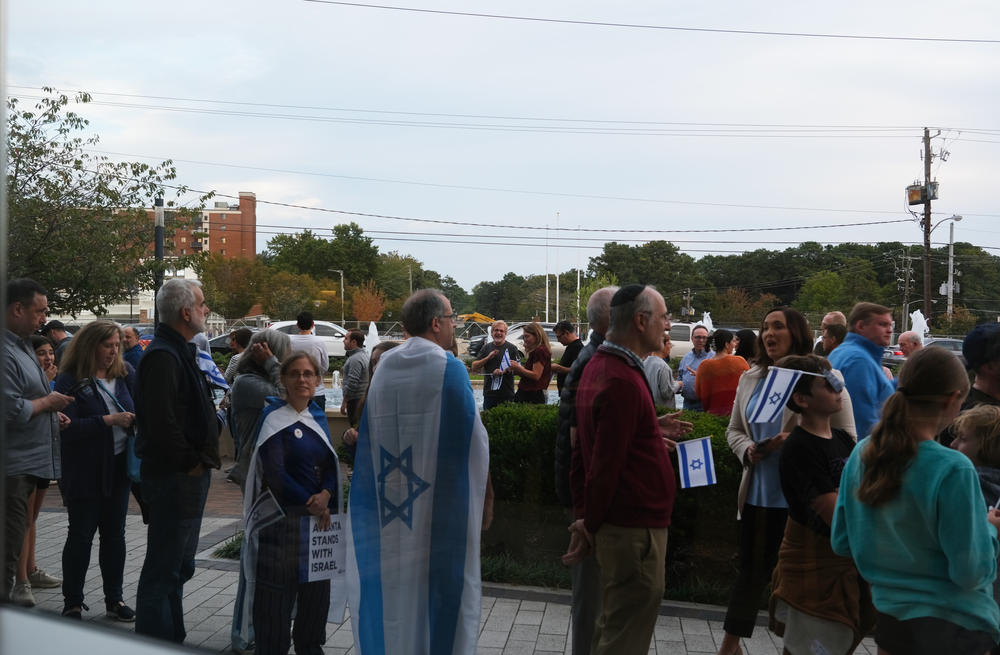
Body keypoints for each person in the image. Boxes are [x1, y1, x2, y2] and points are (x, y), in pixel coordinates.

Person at [347, 289, 490, 654]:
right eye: (452, 317)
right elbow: (473, 442)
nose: (455, 324)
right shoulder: (449, 367)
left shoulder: (386, 368)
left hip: (389, 502)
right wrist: (486, 495)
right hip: (438, 510)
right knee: (439, 594)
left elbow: (373, 433)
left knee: (395, 591)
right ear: (436, 323)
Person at [831, 347, 1000, 655]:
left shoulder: (863, 454)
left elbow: (842, 541)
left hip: (892, 625)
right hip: (956, 630)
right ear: (952, 399)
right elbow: (971, 573)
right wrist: (990, 530)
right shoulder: (953, 468)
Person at [716, 307, 856, 655]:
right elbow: (733, 430)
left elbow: (847, 439)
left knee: (802, 584)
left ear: (798, 332)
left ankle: (797, 647)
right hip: (758, 495)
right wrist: (750, 450)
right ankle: (729, 647)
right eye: (764, 327)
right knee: (750, 576)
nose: (768, 333)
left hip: (808, 503)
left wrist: (799, 444)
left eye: (778, 326)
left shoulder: (825, 375)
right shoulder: (751, 377)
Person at [567, 284, 693, 655]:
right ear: (641, 321)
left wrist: (583, 515)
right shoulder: (622, 378)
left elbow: (584, 452)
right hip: (633, 531)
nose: (668, 325)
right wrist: (587, 525)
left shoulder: (600, 367)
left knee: (613, 627)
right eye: (665, 316)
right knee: (625, 638)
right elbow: (604, 467)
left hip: (624, 527)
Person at [767, 354, 875, 655]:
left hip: (842, 565)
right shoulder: (798, 447)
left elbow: (862, 492)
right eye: (827, 385)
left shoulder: (843, 439)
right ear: (801, 399)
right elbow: (835, 515)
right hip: (815, 566)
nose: (837, 389)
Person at [134, 278, 221, 643]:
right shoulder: (163, 356)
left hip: (185, 476)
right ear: (185, 312)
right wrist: (190, 462)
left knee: (178, 566)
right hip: (175, 478)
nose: (206, 310)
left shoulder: (178, 350)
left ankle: (172, 635)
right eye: (202, 304)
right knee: (164, 568)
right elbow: (160, 422)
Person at [239, 352, 342, 655]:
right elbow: (274, 473)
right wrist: (312, 502)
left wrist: (327, 495)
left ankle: (310, 647)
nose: (302, 379)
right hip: (281, 526)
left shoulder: (318, 418)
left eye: (308, 374)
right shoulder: (273, 419)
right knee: (274, 603)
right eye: (295, 374)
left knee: (315, 599)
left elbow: (331, 467)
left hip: (318, 527)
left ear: (317, 380)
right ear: (282, 380)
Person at [53, 320, 137, 621]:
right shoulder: (69, 380)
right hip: (84, 469)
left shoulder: (125, 375)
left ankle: (114, 599)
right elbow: (67, 429)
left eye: (117, 346)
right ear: (91, 346)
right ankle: (72, 602)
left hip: (118, 468)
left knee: (115, 536)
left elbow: (142, 408)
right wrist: (108, 421)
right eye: (108, 346)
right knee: (81, 535)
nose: (113, 352)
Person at [555, 286, 617, 655]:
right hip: (585, 500)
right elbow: (583, 443)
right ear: (612, 318)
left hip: (587, 497)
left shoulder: (601, 357)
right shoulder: (596, 362)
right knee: (591, 599)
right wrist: (584, 511)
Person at [4, 278, 72, 601]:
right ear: (18, 308)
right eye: (40, 311)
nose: (45, 318)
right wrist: (48, 404)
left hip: (29, 465)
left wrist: (49, 412)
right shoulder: (5, 352)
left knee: (19, 534)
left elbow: (30, 396)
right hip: (13, 469)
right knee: (8, 546)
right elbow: (12, 410)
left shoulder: (22, 345)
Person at [10, 335, 64, 607]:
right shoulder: (24, 375)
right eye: (42, 353)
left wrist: (56, 415)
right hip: (26, 456)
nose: (48, 358)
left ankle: (31, 569)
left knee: (33, 518)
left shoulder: (46, 377)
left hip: (45, 453)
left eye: (50, 353)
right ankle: (21, 580)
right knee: (23, 520)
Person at [228, 329, 292, 491]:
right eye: (286, 351)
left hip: (277, 465)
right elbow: (287, 401)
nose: (289, 357)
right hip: (261, 470)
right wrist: (271, 363)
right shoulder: (247, 383)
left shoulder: (267, 379)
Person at [828, 302, 895, 440]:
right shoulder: (859, 361)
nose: (889, 330)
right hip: (863, 453)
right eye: (882, 324)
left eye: (890, 325)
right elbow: (862, 422)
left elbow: (877, 391)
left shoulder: (843, 351)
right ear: (861, 326)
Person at [340, 340, 401, 457]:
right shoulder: (369, 399)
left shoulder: (408, 400)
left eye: (383, 360)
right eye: (374, 362)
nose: (377, 366)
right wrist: (350, 437)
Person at [694, 329, 750, 416]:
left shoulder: (704, 366)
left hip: (712, 416)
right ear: (727, 344)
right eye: (732, 341)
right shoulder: (740, 361)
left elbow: (698, 393)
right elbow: (749, 387)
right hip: (737, 414)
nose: (734, 344)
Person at [471, 320, 521, 409]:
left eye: (501, 331)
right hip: (489, 394)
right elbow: (474, 366)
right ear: (492, 332)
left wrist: (504, 370)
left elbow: (518, 370)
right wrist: (487, 358)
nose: (498, 333)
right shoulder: (486, 347)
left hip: (506, 394)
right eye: (496, 330)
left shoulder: (512, 348)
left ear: (505, 333)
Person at [289, 312, 330, 402]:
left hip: (295, 391)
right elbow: (325, 366)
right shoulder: (319, 342)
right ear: (312, 325)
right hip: (317, 391)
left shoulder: (290, 342)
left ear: (297, 325)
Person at [508, 321, 553, 404]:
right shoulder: (537, 350)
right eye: (524, 337)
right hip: (530, 392)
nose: (525, 340)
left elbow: (536, 375)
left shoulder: (540, 351)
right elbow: (529, 374)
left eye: (527, 336)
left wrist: (518, 367)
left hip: (533, 394)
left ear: (537, 335)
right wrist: (516, 370)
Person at [643, 326, 680, 409]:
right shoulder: (663, 367)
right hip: (662, 411)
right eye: (669, 343)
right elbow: (667, 393)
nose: (670, 346)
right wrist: (679, 384)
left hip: (649, 408)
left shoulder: (645, 362)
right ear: (661, 345)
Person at [678, 324, 711, 410]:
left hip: (704, 405)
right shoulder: (686, 358)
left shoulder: (713, 358)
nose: (701, 340)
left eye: (704, 337)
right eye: (698, 337)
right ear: (692, 338)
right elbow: (680, 377)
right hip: (687, 404)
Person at [340, 328, 368, 425]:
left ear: (354, 342)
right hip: (360, 400)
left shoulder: (355, 359)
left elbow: (352, 383)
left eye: (346, 338)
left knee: (355, 429)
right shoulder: (363, 355)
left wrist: (344, 402)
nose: (344, 340)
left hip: (355, 401)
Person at [551, 320, 583, 394]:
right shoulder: (571, 346)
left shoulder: (577, 347)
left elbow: (579, 370)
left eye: (558, 337)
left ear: (566, 333)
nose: (558, 340)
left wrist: (558, 368)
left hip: (571, 393)